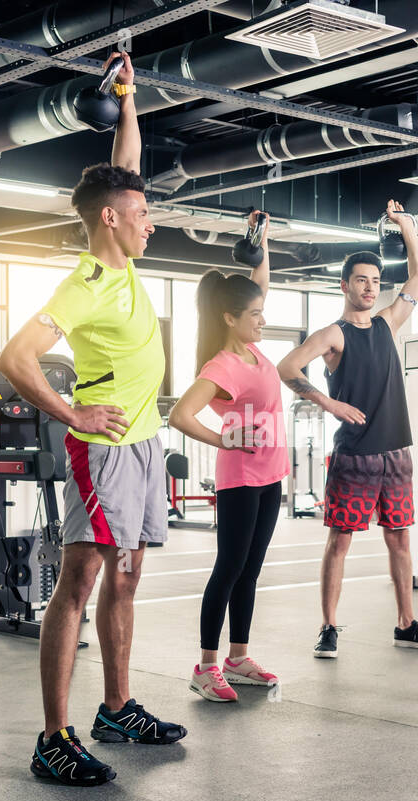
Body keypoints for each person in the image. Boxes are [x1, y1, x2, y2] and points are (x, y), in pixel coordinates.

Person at [0, 51, 184, 787]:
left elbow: (125, 170)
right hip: (101, 451)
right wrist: (71, 408)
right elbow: (16, 355)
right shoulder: (87, 284)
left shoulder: (125, 258)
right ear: (111, 222)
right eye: (142, 216)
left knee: (127, 576)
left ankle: (115, 707)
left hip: (142, 445)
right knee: (78, 580)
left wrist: (129, 99)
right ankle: (53, 736)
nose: (151, 225)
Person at [276, 200, 418, 659]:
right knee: (340, 542)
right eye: (361, 281)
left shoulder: (389, 323)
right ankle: (328, 627)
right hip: (356, 455)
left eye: (374, 282)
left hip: (397, 453)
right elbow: (287, 367)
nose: (370, 288)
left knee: (401, 538)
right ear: (345, 285)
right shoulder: (334, 335)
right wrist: (328, 403)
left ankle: (406, 624)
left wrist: (407, 227)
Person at [168, 211, 288, 701]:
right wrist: (224, 441)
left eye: (260, 312)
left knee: (252, 569)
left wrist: (264, 238)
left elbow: (259, 280)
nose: (263, 318)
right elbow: (180, 415)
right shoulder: (224, 365)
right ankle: (207, 665)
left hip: (271, 474)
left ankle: (238, 657)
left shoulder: (252, 350)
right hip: (241, 478)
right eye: (255, 314)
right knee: (229, 568)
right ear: (230, 319)